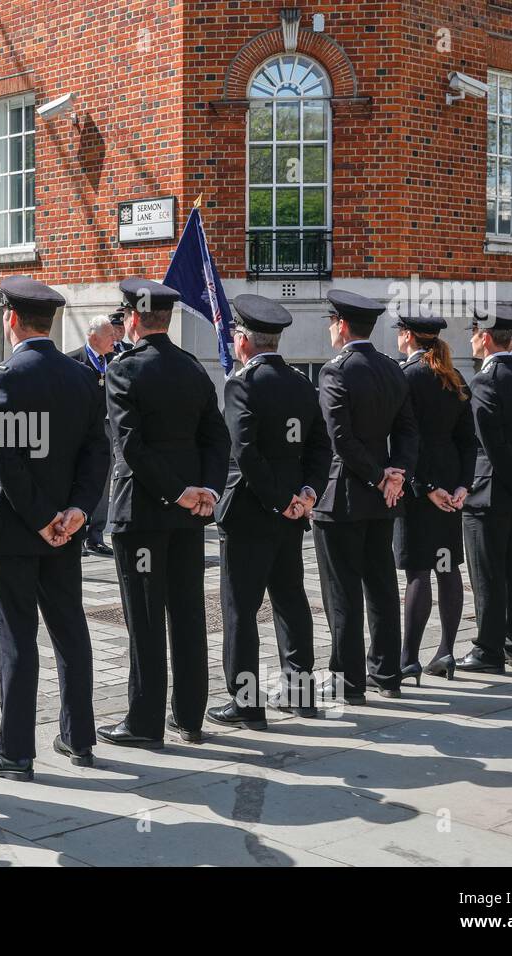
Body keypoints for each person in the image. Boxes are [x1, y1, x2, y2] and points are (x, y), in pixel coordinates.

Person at [0, 277, 108, 779]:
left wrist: (43, 517)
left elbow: (5, 461)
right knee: (71, 629)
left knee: (17, 637)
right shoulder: (80, 377)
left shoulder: (2, 378)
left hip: (15, 530)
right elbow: (98, 451)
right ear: (47, 322)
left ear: (11, 319)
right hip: (66, 530)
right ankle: (79, 737)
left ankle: (16, 750)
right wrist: (76, 511)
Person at [98, 278, 230, 748]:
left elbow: (130, 446)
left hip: (143, 514)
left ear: (133, 318)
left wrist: (179, 492)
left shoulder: (124, 371)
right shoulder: (192, 368)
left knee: (146, 619)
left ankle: (144, 720)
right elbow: (218, 437)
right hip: (189, 514)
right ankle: (190, 716)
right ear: (166, 319)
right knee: (189, 613)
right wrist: (206, 491)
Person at [209, 295, 329, 730]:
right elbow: (320, 445)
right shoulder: (301, 383)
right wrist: (306, 494)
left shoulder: (242, 385)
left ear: (243, 341)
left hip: (251, 511)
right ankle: (300, 693)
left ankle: (246, 702)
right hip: (291, 511)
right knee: (290, 599)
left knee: (241, 609)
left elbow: (245, 452)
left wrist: (282, 500)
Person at [312, 290, 418, 703]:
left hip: (344, 497)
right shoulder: (392, 368)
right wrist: (396, 474)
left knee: (342, 592)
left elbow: (339, 438)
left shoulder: (336, 371)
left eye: (331, 322)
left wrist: (379, 477)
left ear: (341, 324)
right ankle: (387, 672)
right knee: (381, 586)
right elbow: (409, 431)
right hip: (384, 496)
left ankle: (349, 680)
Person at [458, 306, 512, 673]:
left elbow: (492, 445)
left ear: (483, 337)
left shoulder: (484, 380)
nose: (471, 339)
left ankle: (488, 650)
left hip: (490, 491)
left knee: (487, 573)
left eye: (473, 333)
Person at [393, 307, 477, 682]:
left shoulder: (406, 377)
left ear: (409, 336)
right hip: (450, 485)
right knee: (446, 567)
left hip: (420, 486)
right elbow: (467, 441)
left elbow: (408, 439)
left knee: (418, 572)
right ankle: (445, 651)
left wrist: (425, 487)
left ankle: (408, 657)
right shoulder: (454, 376)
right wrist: (462, 486)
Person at [66, 314, 120, 556]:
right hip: (80, 429)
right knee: (78, 478)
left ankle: (95, 535)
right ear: (93, 336)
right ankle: (74, 534)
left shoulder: (115, 361)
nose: (115, 339)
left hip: (107, 428)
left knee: (103, 479)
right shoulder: (72, 361)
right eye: (110, 335)